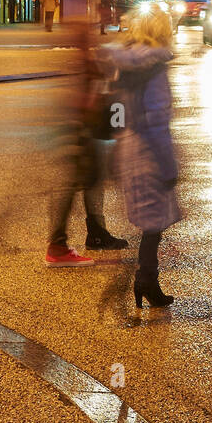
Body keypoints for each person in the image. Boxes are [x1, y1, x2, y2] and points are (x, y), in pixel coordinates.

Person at [108, 5, 180, 309]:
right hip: (150, 152)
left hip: (130, 147)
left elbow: (116, 110)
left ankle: (148, 280)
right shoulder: (154, 67)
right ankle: (146, 280)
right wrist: (169, 167)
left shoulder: (127, 62)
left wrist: (119, 141)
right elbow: (157, 121)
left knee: (152, 221)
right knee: (155, 221)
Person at [46, 32, 129, 265]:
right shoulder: (85, 60)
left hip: (82, 129)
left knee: (85, 181)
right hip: (81, 130)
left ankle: (92, 234)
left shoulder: (88, 58)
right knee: (77, 183)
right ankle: (60, 245)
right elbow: (84, 100)